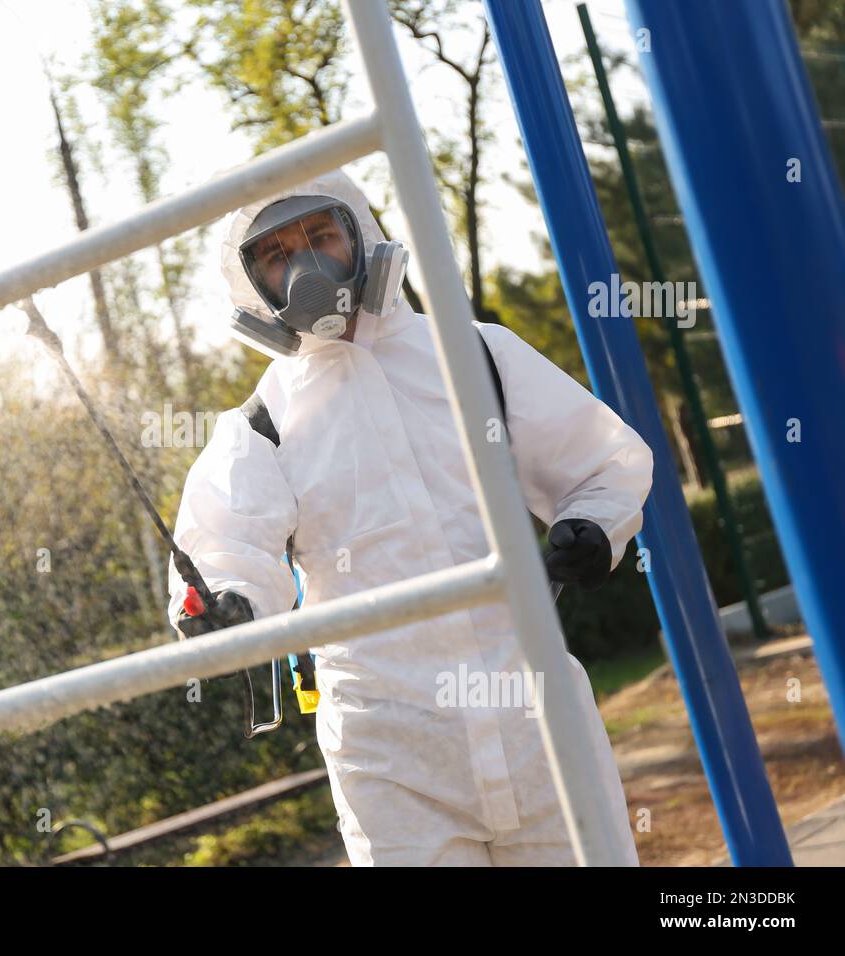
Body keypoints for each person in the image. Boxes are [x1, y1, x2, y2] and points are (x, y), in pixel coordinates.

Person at [166, 169, 653, 866]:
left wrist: (595, 527)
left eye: (320, 236)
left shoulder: (474, 353)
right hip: (389, 758)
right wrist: (226, 610)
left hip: (537, 718)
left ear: (360, 236)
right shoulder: (263, 426)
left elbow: (603, 462)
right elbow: (226, 550)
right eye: (278, 254)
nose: (305, 263)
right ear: (255, 287)